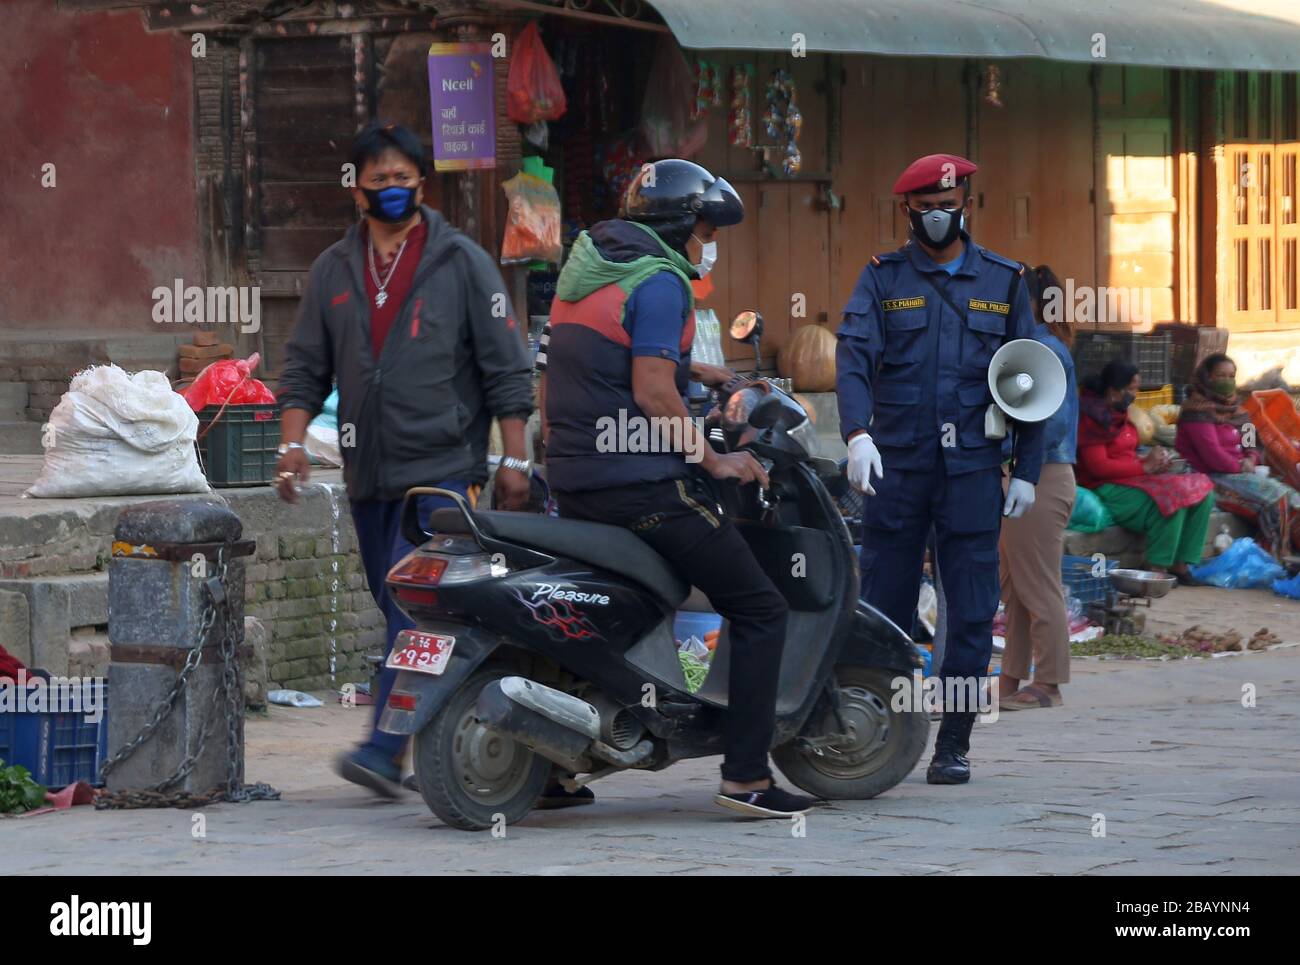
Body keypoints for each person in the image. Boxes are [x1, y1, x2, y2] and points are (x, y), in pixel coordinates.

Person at [543, 158, 813, 818]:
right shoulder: (663, 280)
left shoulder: (591, 265)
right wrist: (713, 460)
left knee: (641, 604)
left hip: (577, 477)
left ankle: (554, 761)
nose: (707, 241)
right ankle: (746, 776)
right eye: (705, 228)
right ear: (683, 225)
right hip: (640, 487)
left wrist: (701, 366)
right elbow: (652, 390)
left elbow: (612, 352)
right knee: (760, 606)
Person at [275, 121, 535, 797]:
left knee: (409, 605)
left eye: (402, 177)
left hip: (443, 468)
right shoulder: (334, 269)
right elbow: (304, 367)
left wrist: (517, 461)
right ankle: (434, 731)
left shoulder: (462, 262)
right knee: (394, 598)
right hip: (369, 472)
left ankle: (386, 747)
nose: (390, 188)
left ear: (422, 183)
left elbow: (507, 368)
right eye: (377, 177)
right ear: (356, 186)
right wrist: (293, 443)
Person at [836, 153, 1045, 785]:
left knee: (974, 611)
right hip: (896, 470)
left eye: (947, 208)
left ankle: (953, 743)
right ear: (907, 211)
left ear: (967, 209)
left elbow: (1028, 379)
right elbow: (852, 358)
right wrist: (856, 434)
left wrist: (1028, 468)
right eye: (925, 209)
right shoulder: (881, 278)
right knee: (884, 607)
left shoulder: (1005, 281)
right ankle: (881, 733)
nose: (937, 218)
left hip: (974, 473)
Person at [997, 265, 1077, 711]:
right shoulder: (1037, 346)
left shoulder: (1043, 350)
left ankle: (1048, 683)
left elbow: (1052, 423)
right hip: (1028, 475)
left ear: (1029, 304)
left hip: (1040, 477)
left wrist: (1012, 459)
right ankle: (1011, 677)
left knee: (1039, 585)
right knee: (1016, 586)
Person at [1076, 358, 1215, 581]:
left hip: (1131, 478)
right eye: (1132, 389)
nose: (1136, 394)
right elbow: (1098, 467)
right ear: (1114, 391)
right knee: (1173, 498)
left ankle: (1181, 563)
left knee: (1203, 492)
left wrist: (1153, 462)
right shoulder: (1092, 418)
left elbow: (1127, 454)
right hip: (1104, 486)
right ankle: (1157, 566)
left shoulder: (1121, 415)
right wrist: (1144, 466)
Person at [1176, 353, 1300, 558]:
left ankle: (1286, 547)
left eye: (1231, 376)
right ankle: (1276, 554)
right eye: (1220, 376)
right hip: (1209, 477)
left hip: (1240, 472)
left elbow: (1251, 441)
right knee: (1275, 497)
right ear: (1207, 378)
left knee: (1292, 494)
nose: (1227, 381)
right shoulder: (1196, 413)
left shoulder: (1238, 411)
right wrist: (1240, 465)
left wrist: (1251, 458)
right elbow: (1213, 456)